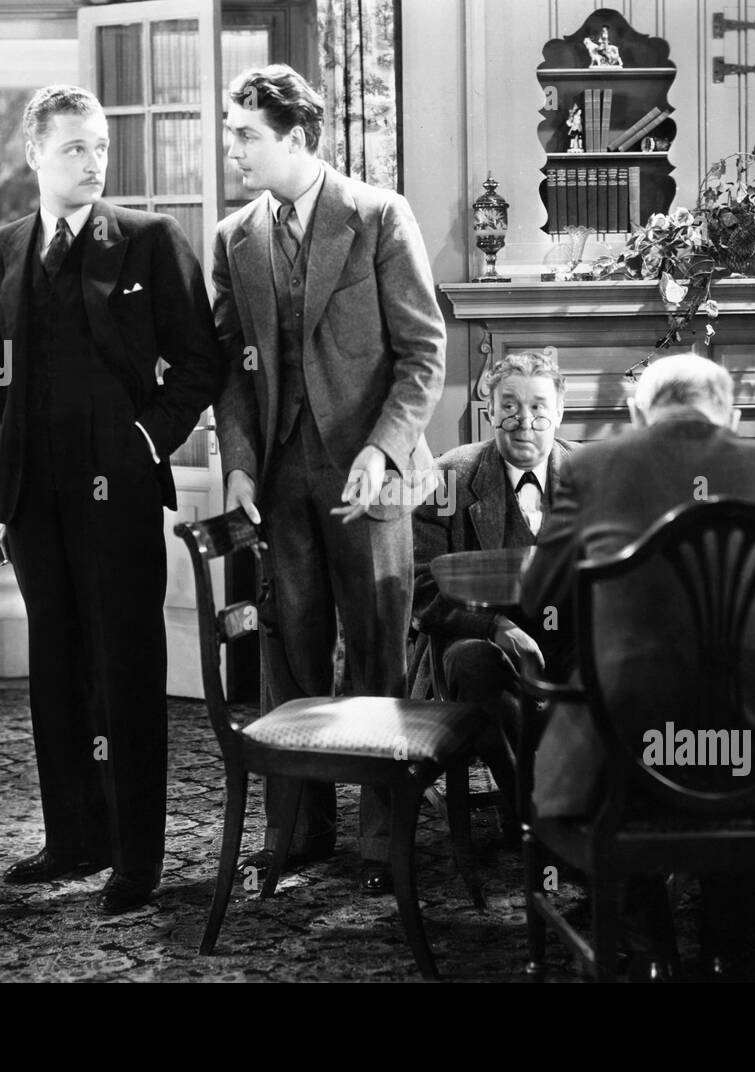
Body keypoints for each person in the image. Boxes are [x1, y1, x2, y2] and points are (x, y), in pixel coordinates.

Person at [0, 85, 226, 914]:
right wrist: (1, 494)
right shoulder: (0, 249)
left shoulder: (153, 242)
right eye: (75, 148)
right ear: (34, 156)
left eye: (100, 147)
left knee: (126, 664)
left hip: (117, 491)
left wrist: (146, 440)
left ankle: (134, 857)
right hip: (34, 498)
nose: (92, 161)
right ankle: (71, 840)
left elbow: (200, 363)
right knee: (54, 666)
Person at [520, 353, 755, 972]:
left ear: (640, 412)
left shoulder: (591, 466)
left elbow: (541, 595)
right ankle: (726, 945)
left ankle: (650, 950)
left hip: (630, 744)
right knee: (737, 788)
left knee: (600, 772)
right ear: (731, 415)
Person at [214, 64, 445, 894]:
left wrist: (384, 450)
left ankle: (385, 844)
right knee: (291, 653)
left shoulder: (378, 216)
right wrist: (238, 467)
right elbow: (232, 373)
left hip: (372, 473)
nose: (231, 148)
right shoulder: (232, 237)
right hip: (280, 479)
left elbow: (424, 355)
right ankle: (297, 835)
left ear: (298, 138)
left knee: (380, 652)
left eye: (246, 134)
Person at [411, 351, 575, 829]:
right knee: (472, 663)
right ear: (490, 411)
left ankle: (584, 800)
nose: (525, 421)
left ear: (560, 411)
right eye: (510, 406)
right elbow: (420, 588)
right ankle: (536, 815)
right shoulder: (447, 477)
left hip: (568, 637)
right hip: (475, 639)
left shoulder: (593, 475)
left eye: (540, 407)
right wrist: (495, 626)